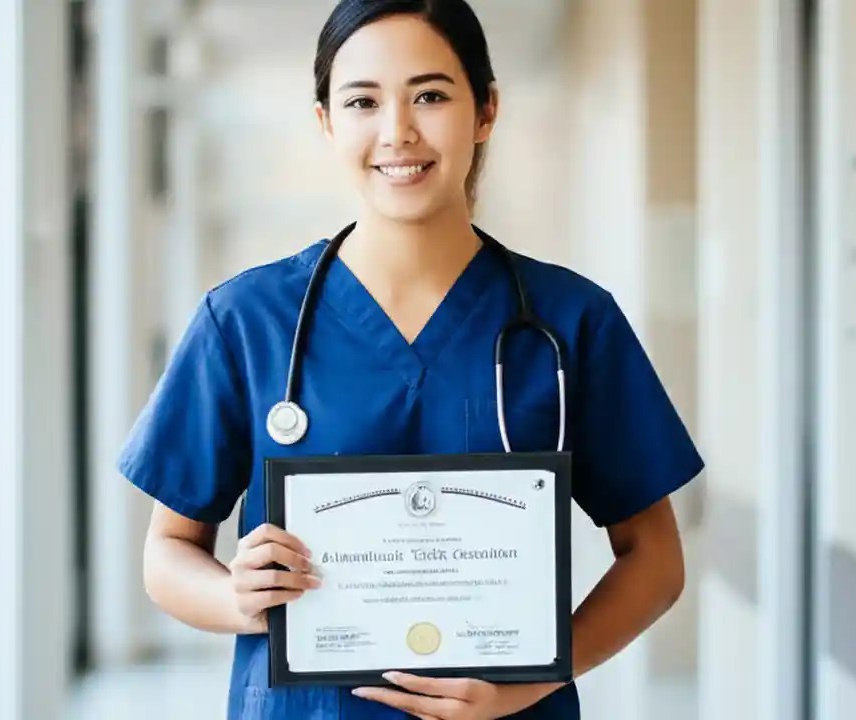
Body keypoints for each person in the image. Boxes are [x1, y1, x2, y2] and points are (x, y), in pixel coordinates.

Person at [117, 1, 704, 717]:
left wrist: (531, 681)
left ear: (485, 111)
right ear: (327, 122)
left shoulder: (572, 322)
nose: (397, 130)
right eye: (362, 100)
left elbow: (655, 557)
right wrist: (235, 595)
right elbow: (167, 554)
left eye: (430, 95)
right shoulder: (245, 321)